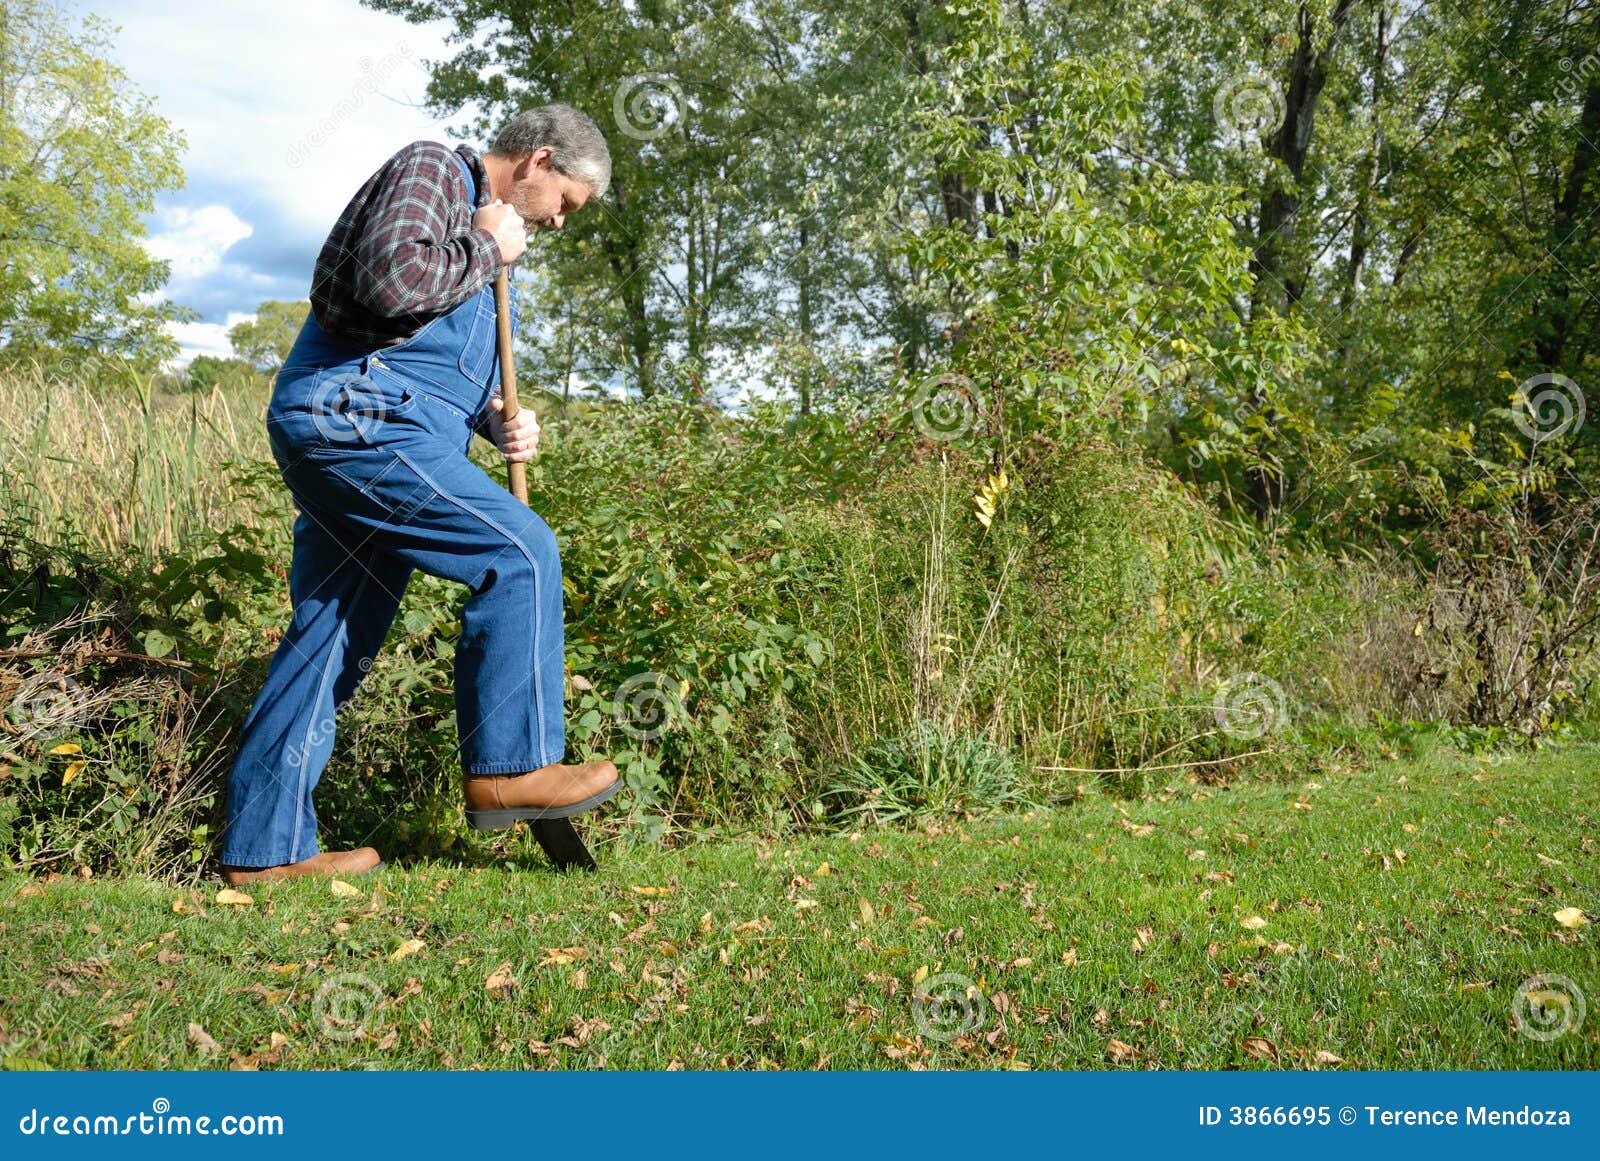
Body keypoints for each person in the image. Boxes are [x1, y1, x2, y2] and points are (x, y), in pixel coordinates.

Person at [219, 104, 620, 884]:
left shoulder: (490, 246)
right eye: (568, 201)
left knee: (330, 636)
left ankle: (265, 851)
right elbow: (387, 279)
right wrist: (487, 243)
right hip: (353, 418)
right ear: (538, 161)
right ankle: (512, 767)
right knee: (520, 549)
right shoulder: (435, 170)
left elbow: (424, 356)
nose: (564, 223)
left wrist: (494, 420)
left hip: (388, 431)